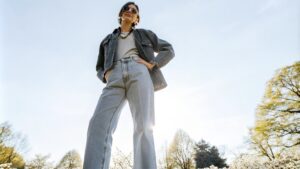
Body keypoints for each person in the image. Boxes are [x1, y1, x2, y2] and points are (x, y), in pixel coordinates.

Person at [83, 2, 174, 169]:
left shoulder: (144, 34)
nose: (129, 11)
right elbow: (99, 66)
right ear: (121, 14)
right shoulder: (108, 40)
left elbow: (168, 49)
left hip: (139, 71)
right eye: (126, 8)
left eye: (134, 11)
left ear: (136, 19)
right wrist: (104, 74)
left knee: (143, 126)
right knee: (97, 124)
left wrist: (152, 64)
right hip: (114, 75)